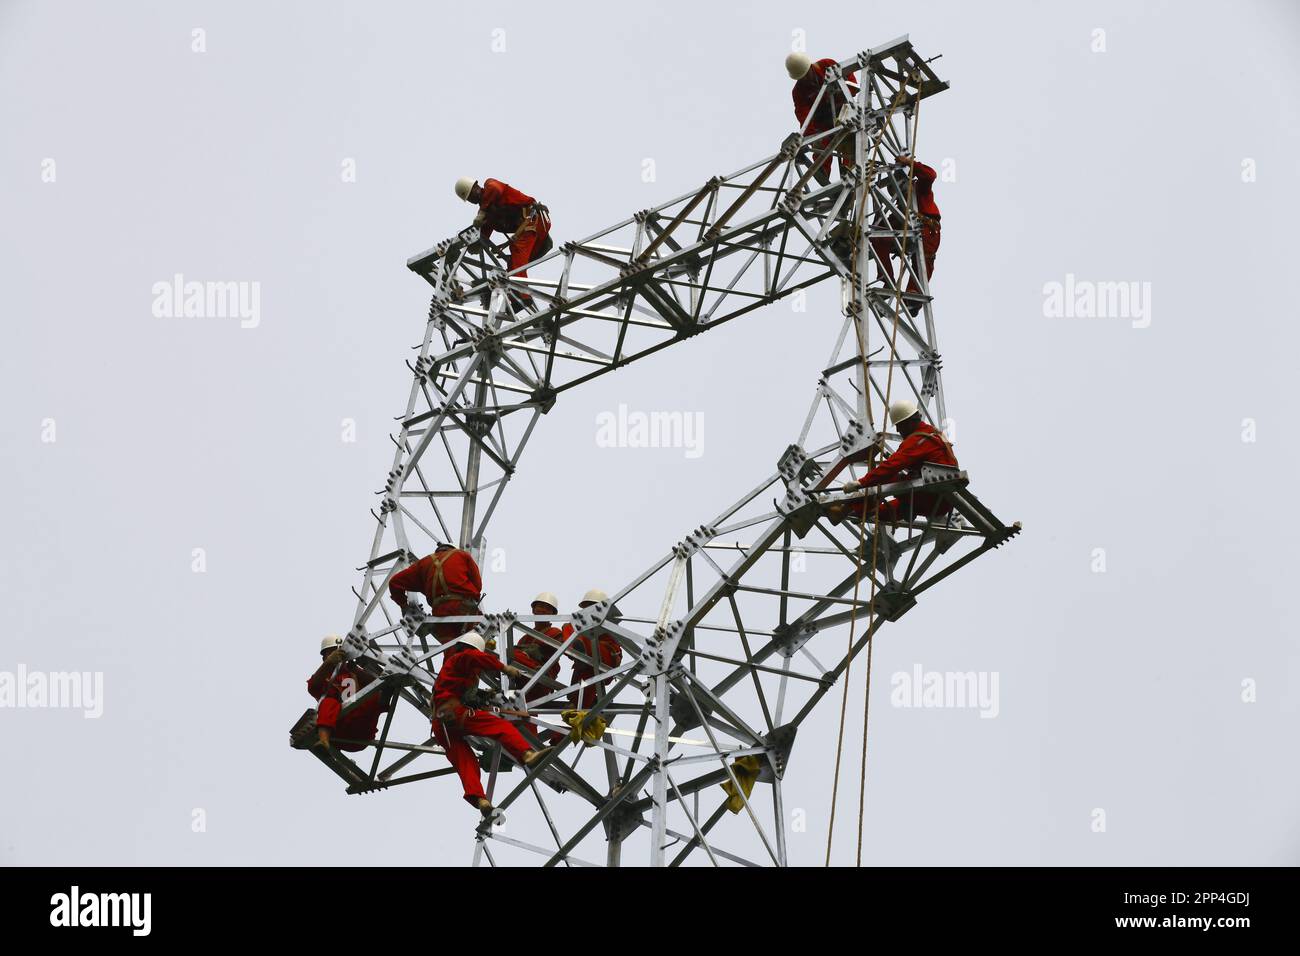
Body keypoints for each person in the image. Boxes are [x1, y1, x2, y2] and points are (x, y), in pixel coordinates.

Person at [431, 632, 550, 818]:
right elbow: (473, 657)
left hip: (442, 724)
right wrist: (505, 668)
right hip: (456, 714)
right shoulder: (460, 658)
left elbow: (462, 692)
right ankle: (526, 754)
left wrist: (481, 696)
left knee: (466, 764)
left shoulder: (454, 672)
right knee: (501, 727)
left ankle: (481, 800)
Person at [840, 399, 958, 523]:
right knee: (896, 504)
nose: (897, 431)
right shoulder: (933, 434)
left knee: (888, 477)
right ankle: (868, 514)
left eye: (899, 426)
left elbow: (891, 466)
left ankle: (848, 508)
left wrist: (860, 483)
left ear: (909, 423)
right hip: (941, 500)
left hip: (932, 494)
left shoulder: (918, 439)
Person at [869, 154, 941, 312]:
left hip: (928, 229)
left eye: (900, 185)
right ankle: (887, 280)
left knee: (923, 260)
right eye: (893, 188)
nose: (897, 190)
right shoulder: (900, 209)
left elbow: (931, 175)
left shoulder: (919, 190)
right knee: (877, 239)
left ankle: (913, 296)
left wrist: (910, 163)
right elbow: (881, 228)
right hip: (908, 228)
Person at [454, 176, 553, 282]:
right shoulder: (487, 217)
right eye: (468, 198)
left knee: (517, 261)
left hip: (534, 221)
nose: (471, 199)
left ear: (476, 186)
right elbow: (481, 237)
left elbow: (495, 189)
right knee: (513, 265)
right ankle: (513, 293)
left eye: (470, 194)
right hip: (535, 233)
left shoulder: (490, 185)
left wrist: (482, 212)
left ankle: (522, 294)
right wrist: (468, 246)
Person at [306, 635, 393, 752]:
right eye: (331, 652)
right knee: (328, 703)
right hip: (338, 729)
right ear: (324, 657)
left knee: (373, 694)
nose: (336, 655)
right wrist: (328, 664)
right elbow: (313, 686)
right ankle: (323, 740)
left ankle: (384, 698)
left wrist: (355, 670)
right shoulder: (324, 677)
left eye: (339, 651)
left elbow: (375, 683)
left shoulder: (353, 672)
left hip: (362, 727)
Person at [786, 52, 858, 183]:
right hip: (823, 122)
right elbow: (803, 115)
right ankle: (822, 171)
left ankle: (849, 168)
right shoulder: (798, 91)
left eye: (806, 74)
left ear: (810, 67)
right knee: (821, 143)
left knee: (849, 137)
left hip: (842, 111)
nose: (805, 79)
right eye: (801, 77)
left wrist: (844, 92)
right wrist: (812, 136)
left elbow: (851, 83)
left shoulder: (827, 65)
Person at [388, 543, 482, 642]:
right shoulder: (462, 555)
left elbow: (394, 582)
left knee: (450, 650)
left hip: (439, 613)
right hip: (464, 607)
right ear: (453, 549)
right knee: (477, 643)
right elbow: (477, 585)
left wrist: (404, 606)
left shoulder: (423, 563)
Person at [561, 589, 623, 710]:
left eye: (591, 607)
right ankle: (579, 706)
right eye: (586, 607)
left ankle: (577, 651)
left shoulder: (608, 624)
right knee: (584, 680)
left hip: (604, 655)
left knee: (571, 628)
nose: (588, 611)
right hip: (589, 662)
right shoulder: (585, 628)